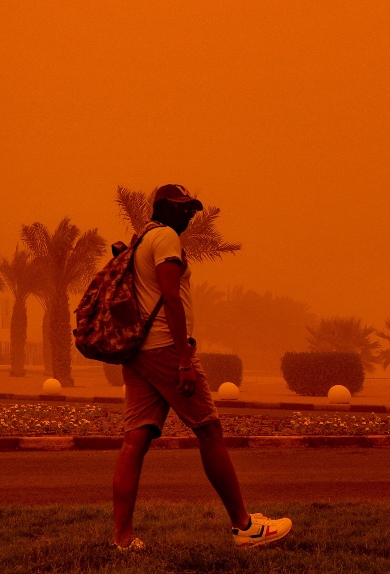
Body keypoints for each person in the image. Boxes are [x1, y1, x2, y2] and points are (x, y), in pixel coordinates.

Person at [112, 183, 292, 551]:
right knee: (210, 431)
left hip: (138, 352)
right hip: (166, 349)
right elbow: (171, 297)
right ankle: (244, 526)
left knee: (134, 441)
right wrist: (184, 359)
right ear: (163, 208)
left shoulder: (140, 240)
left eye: (192, 208)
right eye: (183, 207)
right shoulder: (164, 237)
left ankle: (123, 540)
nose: (190, 215)